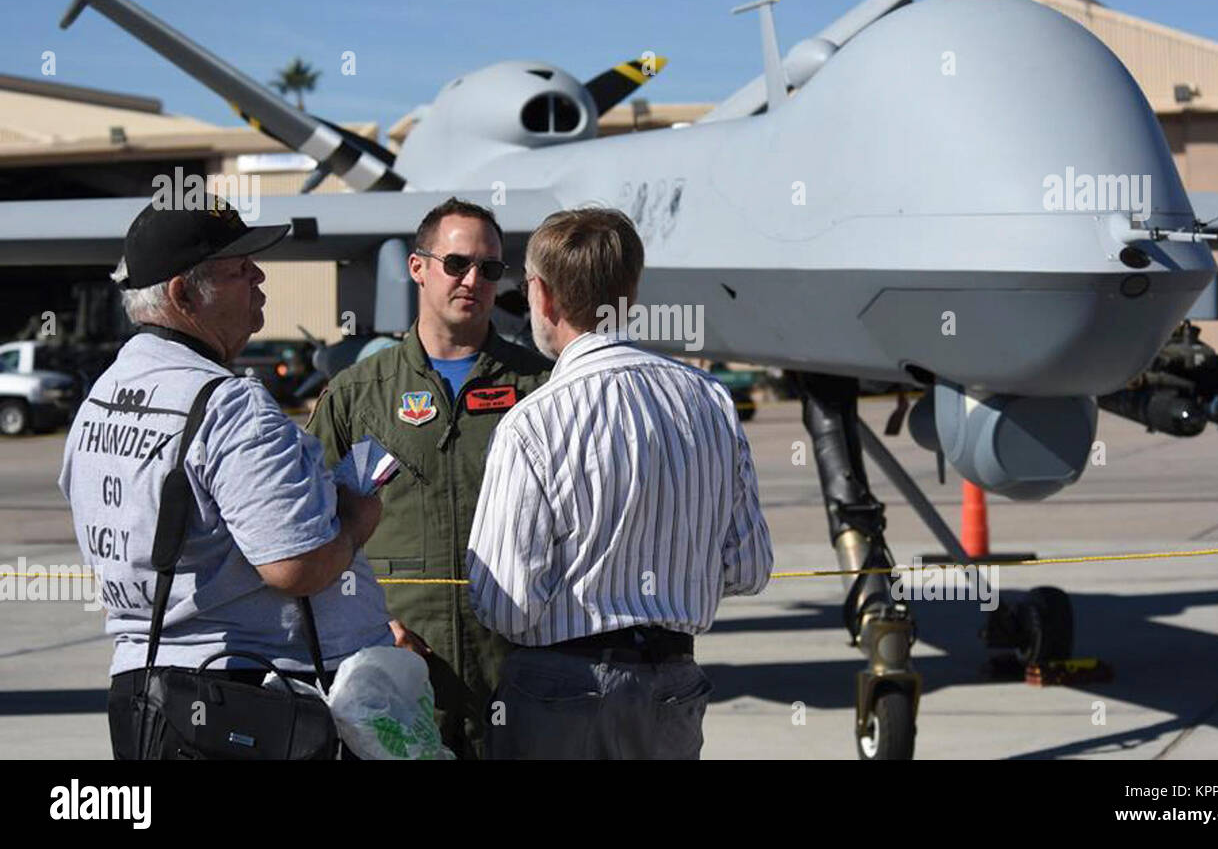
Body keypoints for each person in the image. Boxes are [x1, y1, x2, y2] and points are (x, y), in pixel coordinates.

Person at [57, 199, 394, 759]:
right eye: (239, 269)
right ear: (183, 296)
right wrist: (356, 520)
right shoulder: (229, 406)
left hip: (151, 699)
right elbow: (297, 566)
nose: (259, 278)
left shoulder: (101, 398)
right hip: (247, 705)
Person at [467, 208, 773, 760]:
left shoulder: (534, 422)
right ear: (630, 293)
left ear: (542, 296)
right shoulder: (710, 401)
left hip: (560, 693)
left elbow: (506, 605)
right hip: (669, 688)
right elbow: (748, 568)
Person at [307, 197, 552, 758]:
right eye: (456, 263)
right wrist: (368, 626)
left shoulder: (542, 389)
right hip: (399, 677)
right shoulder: (358, 393)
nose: (473, 280)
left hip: (519, 672)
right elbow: (304, 530)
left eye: (489, 269)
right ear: (417, 268)